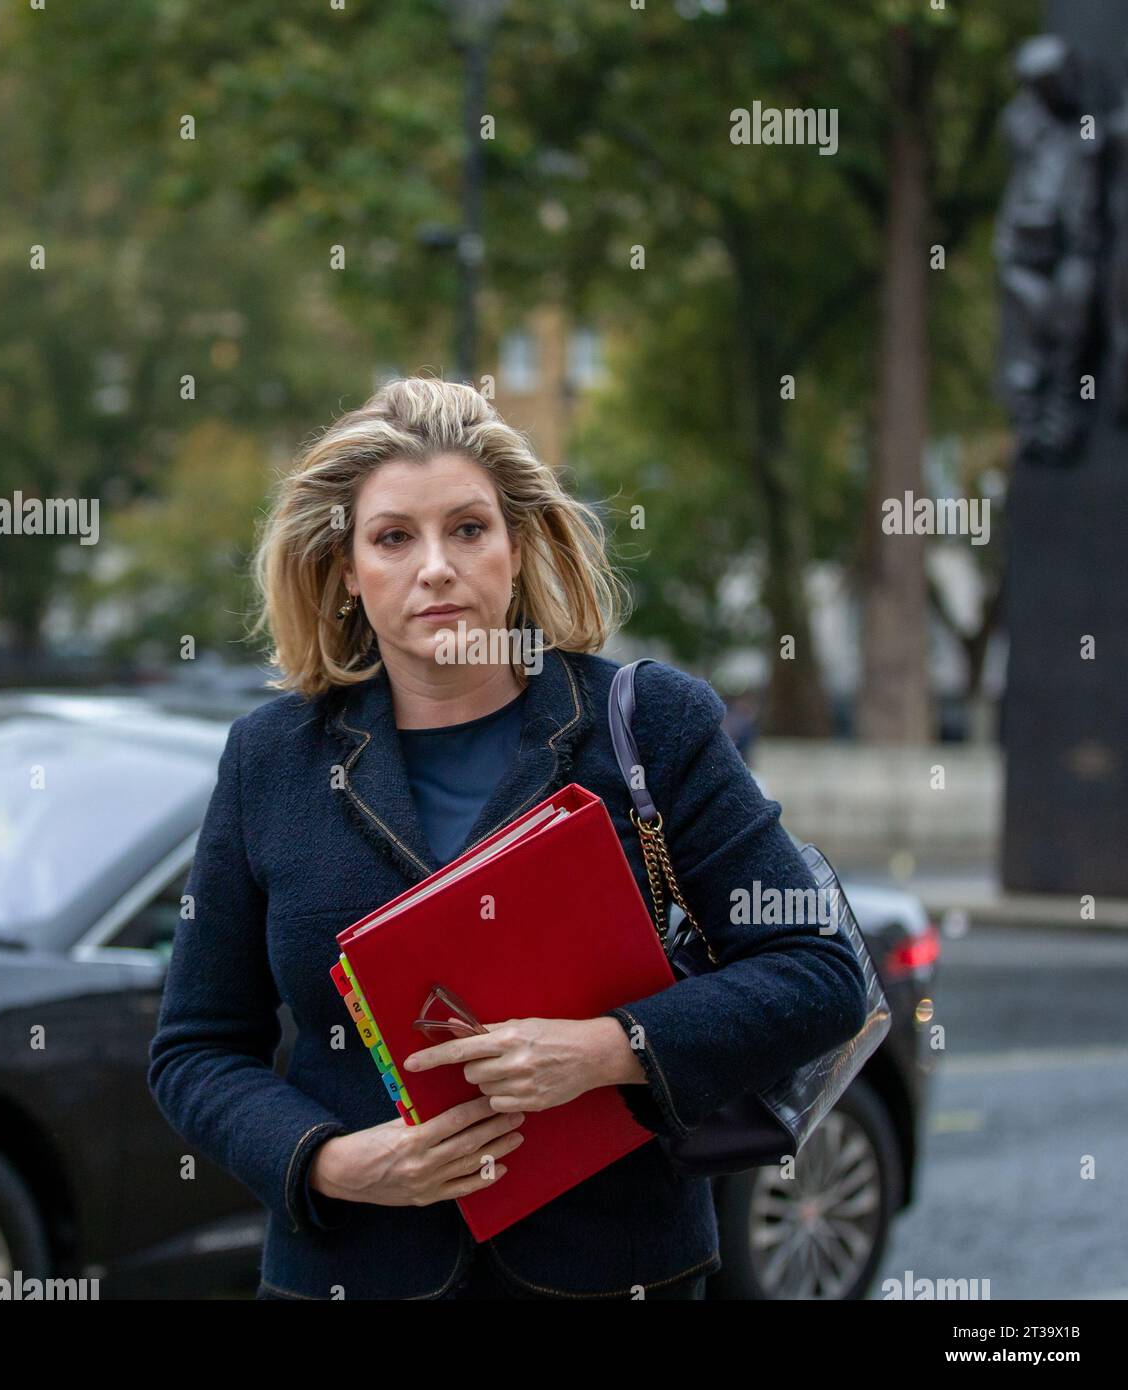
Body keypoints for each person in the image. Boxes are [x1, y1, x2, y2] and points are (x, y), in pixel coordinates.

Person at [146, 375, 869, 1301]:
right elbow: (196, 1046)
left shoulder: (649, 724)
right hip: (353, 1273)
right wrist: (326, 1163)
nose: (435, 567)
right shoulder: (272, 758)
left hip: (614, 1270)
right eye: (394, 538)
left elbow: (816, 972)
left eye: (469, 529)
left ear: (517, 548)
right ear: (347, 569)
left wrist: (610, 1049)